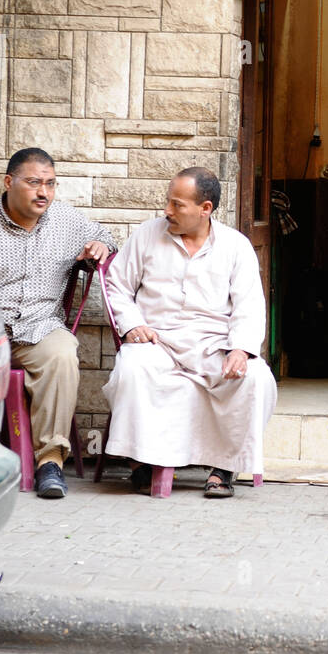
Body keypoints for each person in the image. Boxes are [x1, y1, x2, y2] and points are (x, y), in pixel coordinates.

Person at [102, 167, 276, 498]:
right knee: (132, 369)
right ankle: (140, 464)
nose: (167, 211)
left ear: (205, 209)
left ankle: (224, 468)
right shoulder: (146, 235)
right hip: (158, 342)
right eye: (168, 202)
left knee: (255, 377)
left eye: (178, 205)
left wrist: (240, 349)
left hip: (213, 346)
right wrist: (132, 323)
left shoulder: (235, 246)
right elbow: (116, 286)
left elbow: (249, 306)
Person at [0, 147, 116, 498]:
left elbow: (107, 239)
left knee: (62, 353)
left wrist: (99, 246)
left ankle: (50, 462)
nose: (43, 192)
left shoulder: (66, 220)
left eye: (50, 184)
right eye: (33, 183)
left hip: (40, 327)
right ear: (8, 182)